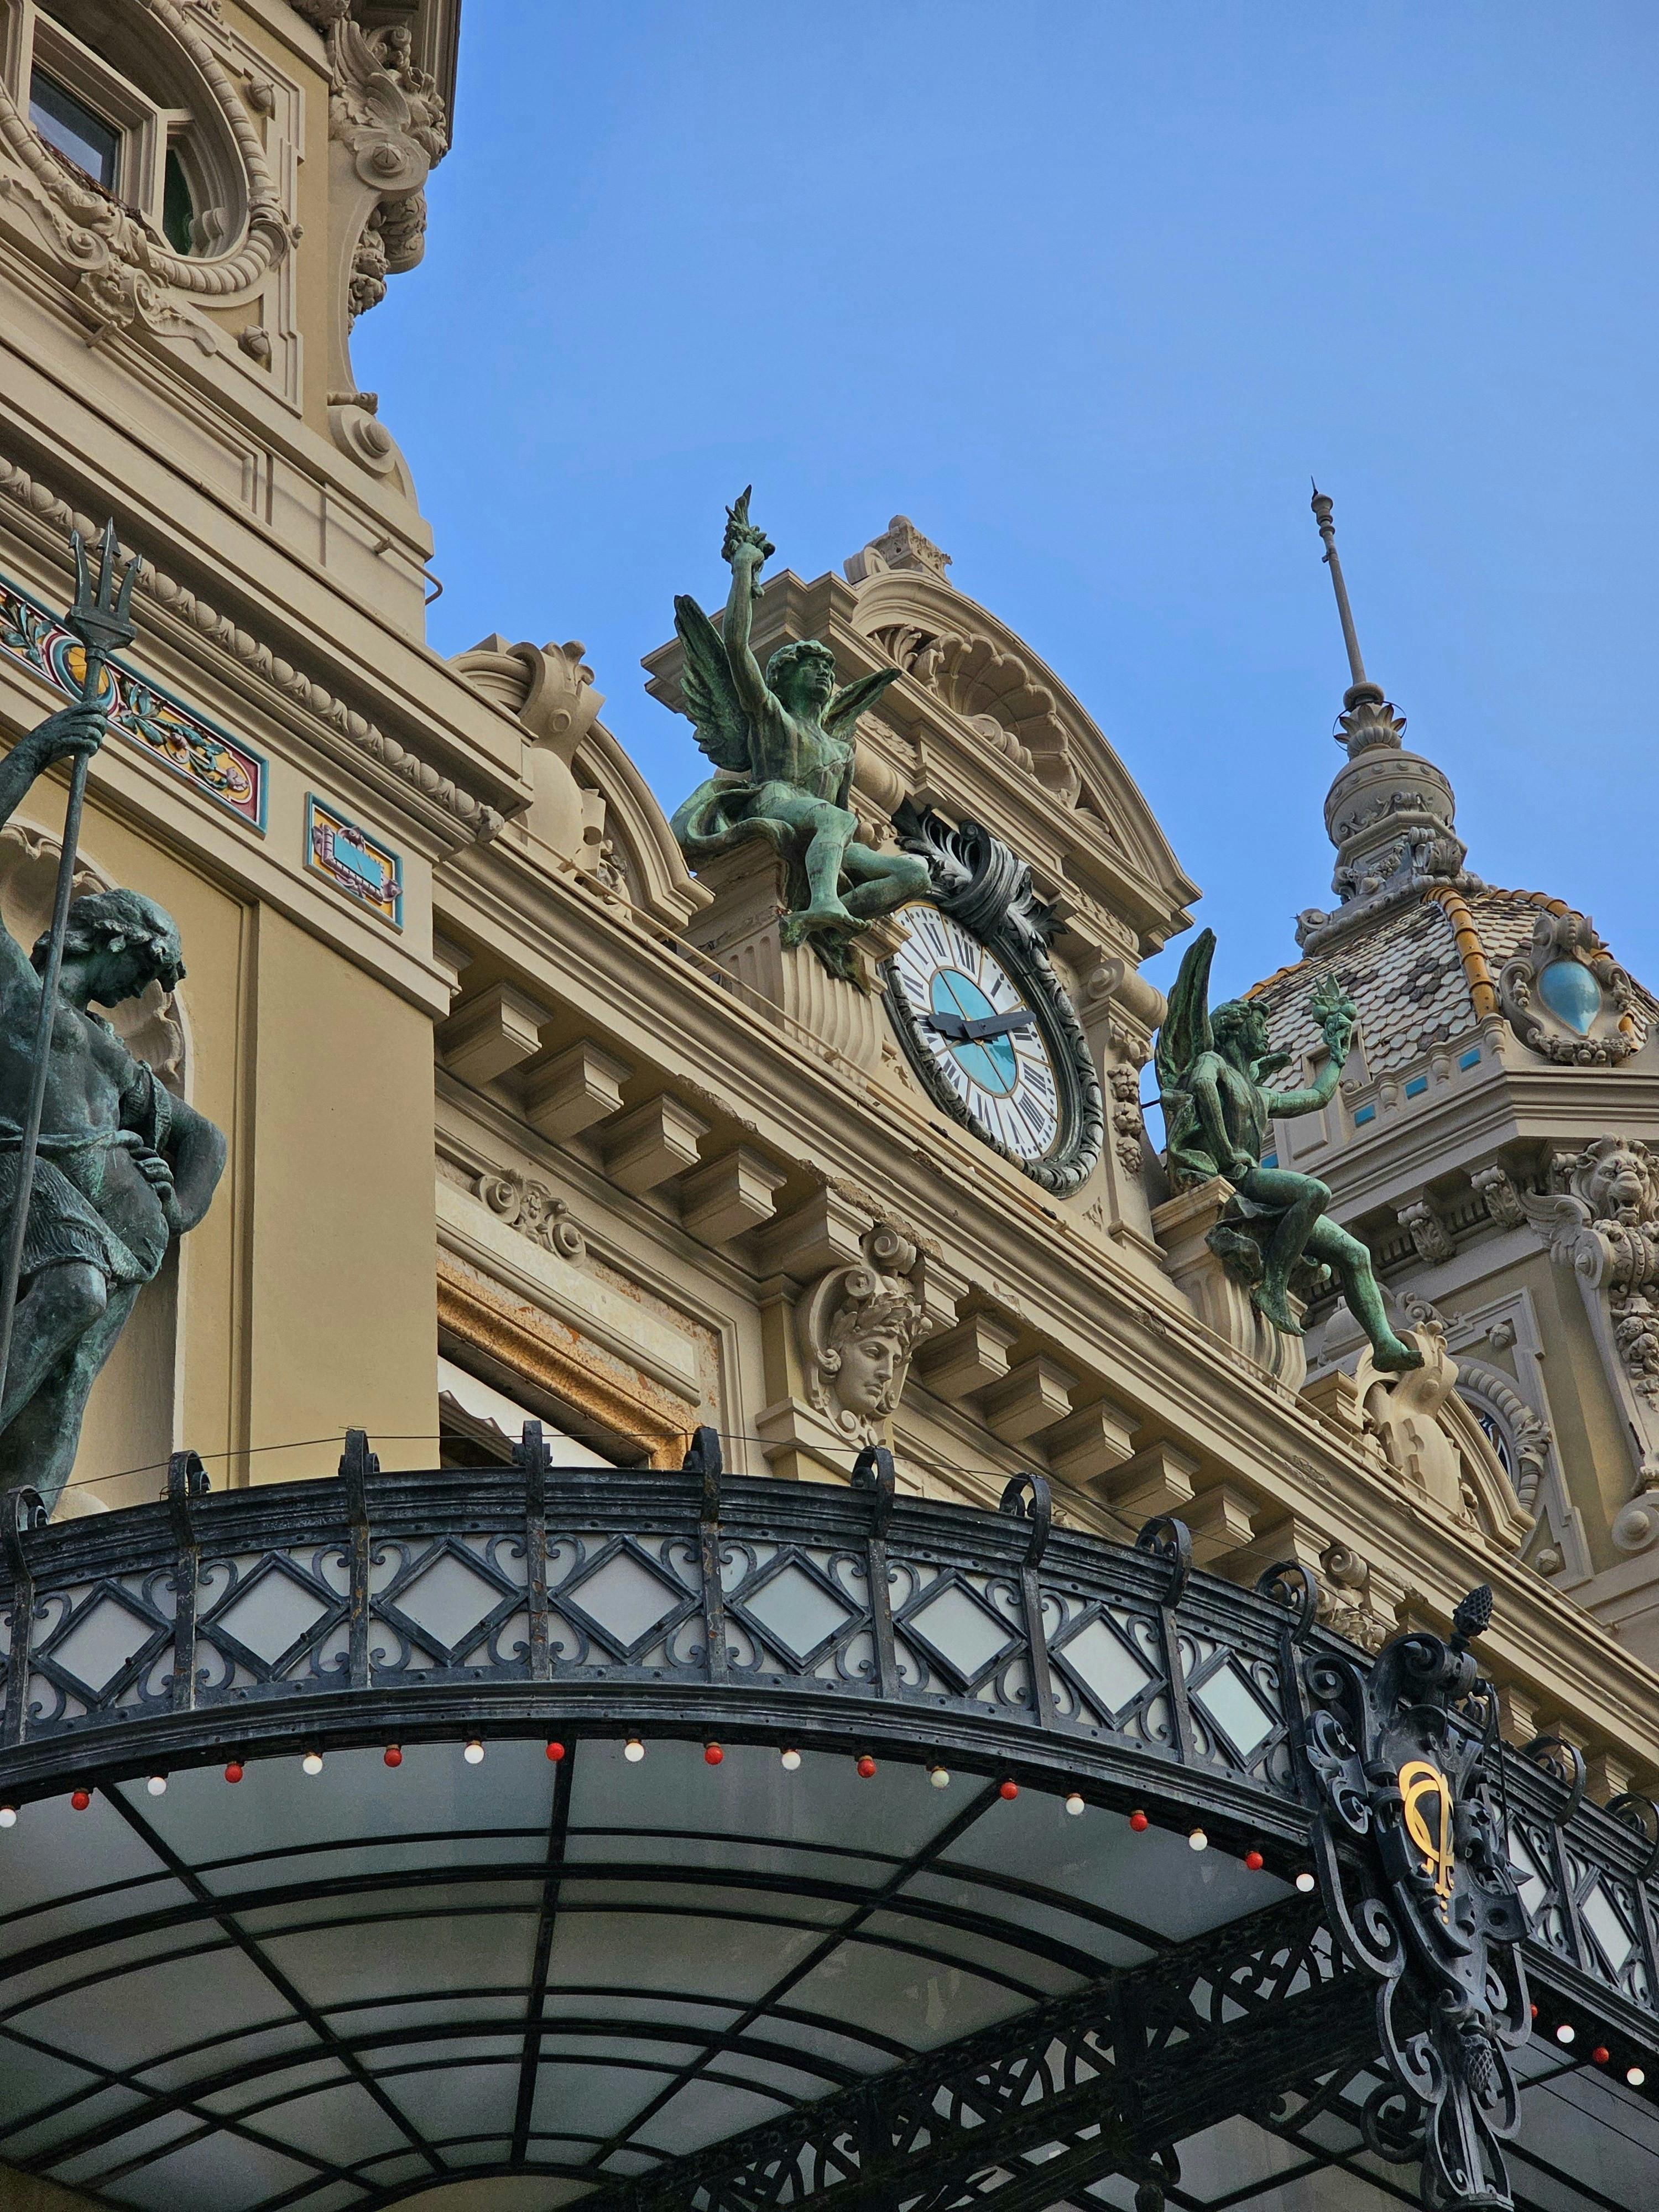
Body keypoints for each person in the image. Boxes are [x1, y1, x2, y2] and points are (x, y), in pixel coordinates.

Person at [0, 701, 225, 1508]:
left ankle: (20, 1523)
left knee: (69, 1385)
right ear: (107, 939)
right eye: (149, 963)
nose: (148, 988)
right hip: (16, 1178)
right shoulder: (15, 992)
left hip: (115, 1231)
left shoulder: (118, 1057)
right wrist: (34, 755)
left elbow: (206, 1137)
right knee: (73, 1291)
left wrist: (179, 1207)